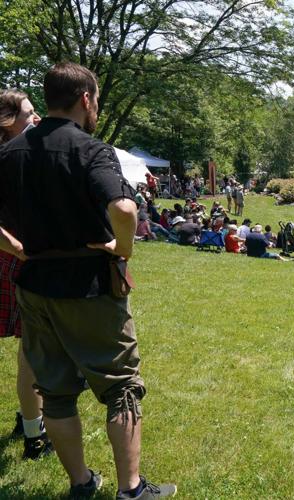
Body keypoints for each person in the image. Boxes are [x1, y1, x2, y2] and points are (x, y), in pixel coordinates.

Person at [0, 63, 175, 498]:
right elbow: (125, 210)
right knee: (120, 388)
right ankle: (131, 490)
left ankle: (81, 483)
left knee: (55, 391)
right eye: (95, 99)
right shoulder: (92, 150)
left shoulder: (9, 153)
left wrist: (18, 249)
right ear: (85, 99)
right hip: (90, 287)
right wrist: (124, 248)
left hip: (34, 284)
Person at [0, 88, 52, 460]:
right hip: (11, 262)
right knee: (31, 351)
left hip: (17, 260)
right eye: (28, 113)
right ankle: (35, 436)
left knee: (31, 350)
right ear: (7, 121)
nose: (35, 118)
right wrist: (19, 249)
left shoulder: (22, 157)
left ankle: (28, 418)